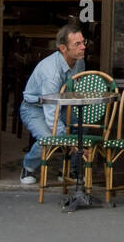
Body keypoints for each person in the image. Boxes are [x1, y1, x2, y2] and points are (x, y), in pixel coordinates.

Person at [18, 23, 86, 184]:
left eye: (84, 42)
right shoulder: (51, 73)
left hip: (62, 105)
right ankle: (28, 166)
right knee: (50, 137)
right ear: (63, 48)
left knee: (80, 127)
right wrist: (65, 138)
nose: (83, 47)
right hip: (34, 108)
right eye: (77, 44)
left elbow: (77, 90)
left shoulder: (79, 61)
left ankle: (70, 170)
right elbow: (51, 112)